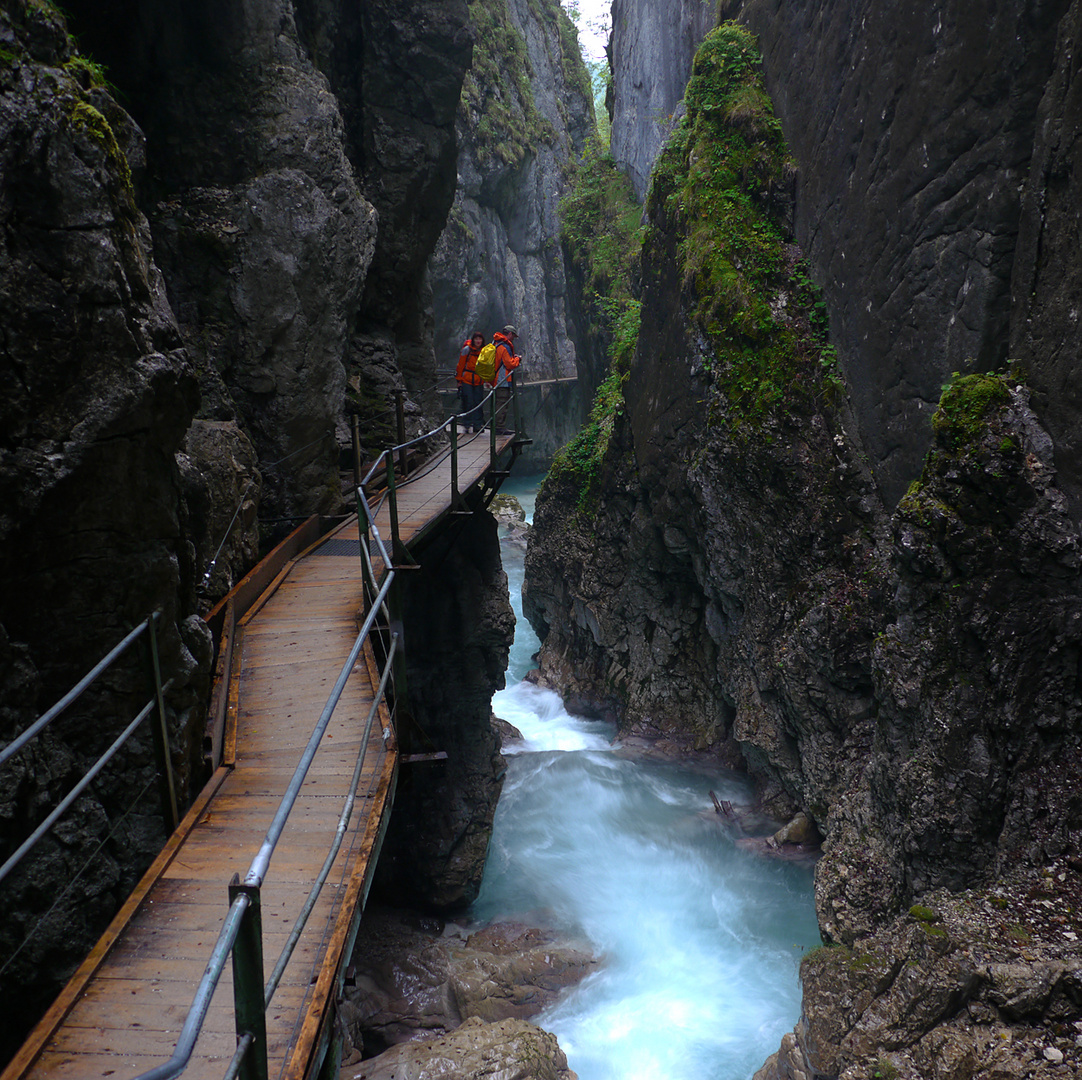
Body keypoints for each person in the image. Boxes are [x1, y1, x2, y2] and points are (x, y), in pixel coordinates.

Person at [456, 331, 486, 433]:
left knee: (478, 402)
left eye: (480, 339)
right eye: (476, 339)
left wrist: (488, 380)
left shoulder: (484, 352)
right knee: (468, 401)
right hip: (467, 379)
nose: (478, 341)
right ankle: (467, 424)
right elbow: (460, 366)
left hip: (479, 380)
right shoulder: (466, 350)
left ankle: (477, 425)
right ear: (473, 340)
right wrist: (459, 380)